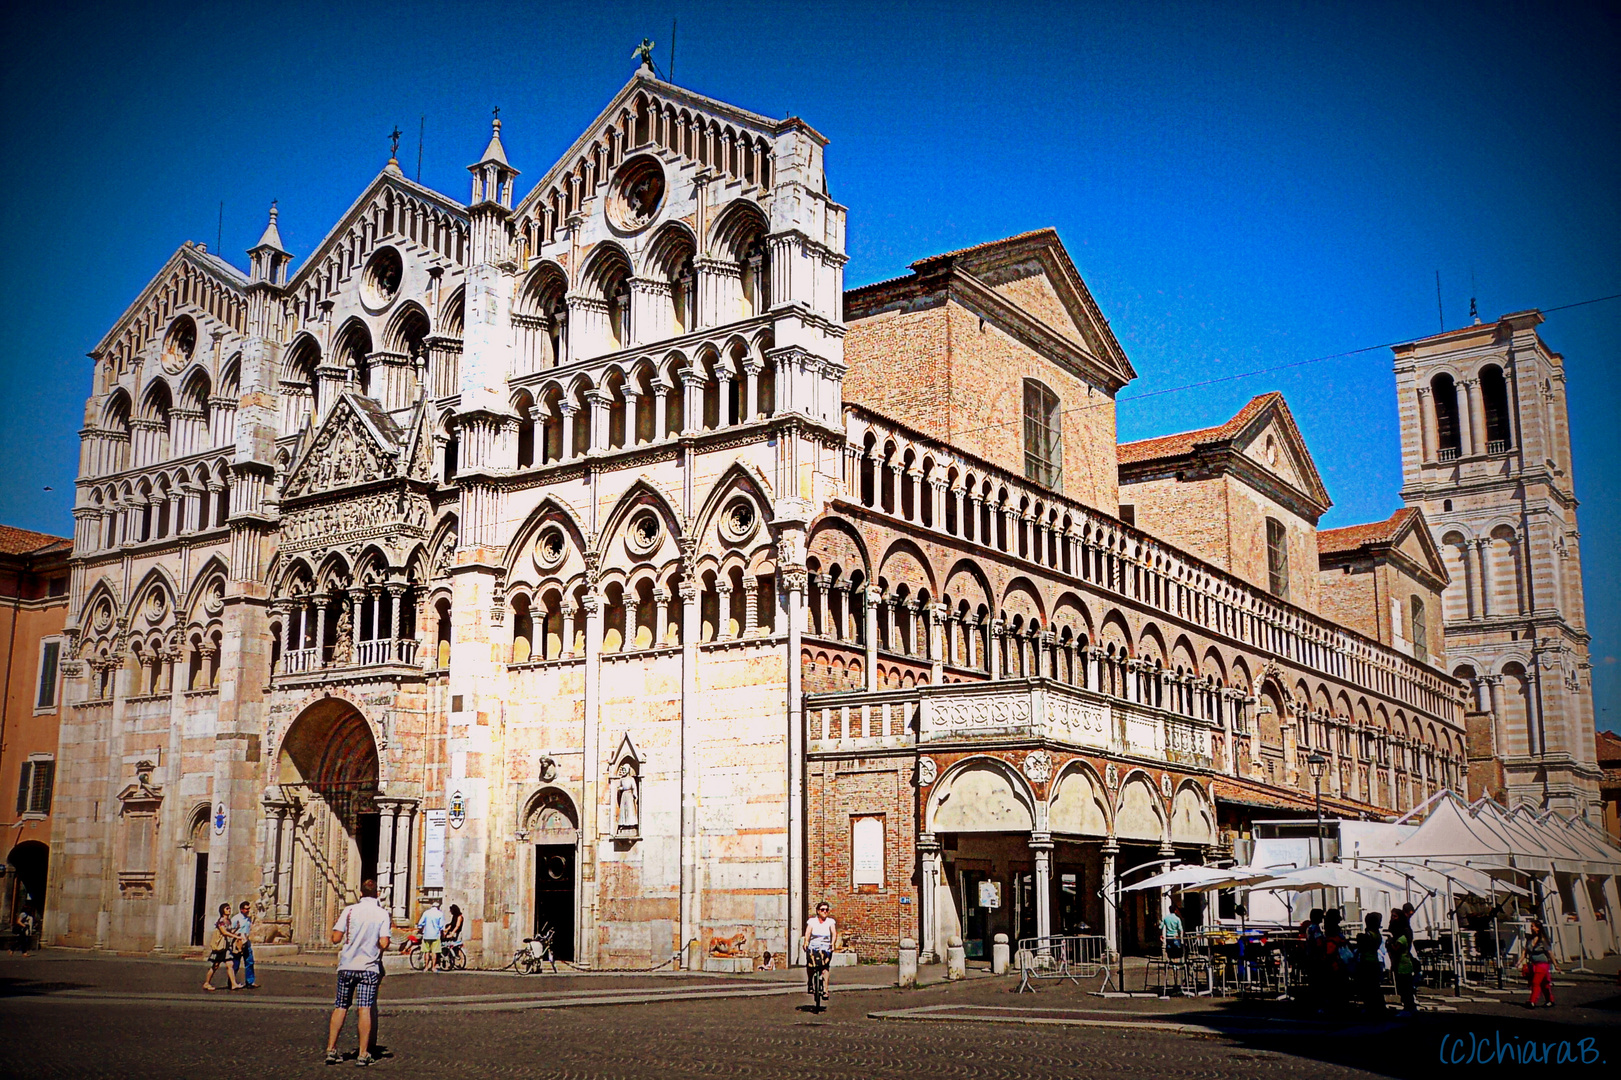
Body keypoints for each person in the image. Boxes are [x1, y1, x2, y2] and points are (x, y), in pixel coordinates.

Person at [325, 879, 392, 1067]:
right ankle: (363, 1054)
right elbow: (385, 942)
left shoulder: (349, 910)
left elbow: (335, 938)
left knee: (340, 1006)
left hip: (346, 966)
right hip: (368, 967)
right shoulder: (382, 913)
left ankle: (331, 1049)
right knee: (364, 1008)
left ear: (360, 893)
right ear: (377, 894)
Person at [801, 901, 839, 998]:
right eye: (822, 910)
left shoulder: (830, 921)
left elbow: (834, 933)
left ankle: (825, 990)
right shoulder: (812, 921)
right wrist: (806, 942)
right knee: (810, 964)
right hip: (814, 945)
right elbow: (808, 933)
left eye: (826, 910)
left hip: (826, 946)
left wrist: (832, 944)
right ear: (818, 911)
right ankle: (810, 982)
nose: (825, 911)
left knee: (825, 967)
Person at [203, 903, 244, 992]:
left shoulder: (228, 921)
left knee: (230, 964)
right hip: (220, 946)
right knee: (215, 966)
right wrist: (236, 937)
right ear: (222, 911)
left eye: (229, 908)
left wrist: (236, 929)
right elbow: (224, 932)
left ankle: (233, 984)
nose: (229, 910)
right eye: (227, 908)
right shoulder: (221, 921)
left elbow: (229, 931)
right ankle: (206, 983)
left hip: (226, 946)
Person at [1317, 909, 1351, 1014]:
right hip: (1337, 961)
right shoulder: (1336, 932)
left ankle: (1332, 1006)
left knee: (1331, 985)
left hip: (1331, 960)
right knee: (1338, 985)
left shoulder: (1328, 931)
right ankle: (1340, 1005)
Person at [1354, 912, 1387, 1014]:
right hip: (1375, 961)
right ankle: (1379, 1006)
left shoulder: (1367, 936)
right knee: (1375, 986)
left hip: (1366, 962)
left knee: (1368, 986)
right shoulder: (1378, 935)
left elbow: (1361, 946)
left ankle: (1369, 1006)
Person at [1388, 910, 1418, 1015]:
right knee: (1402, 987)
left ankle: (1409, 1007)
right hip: (1398, 963)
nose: (1392, 918)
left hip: (1404, 964)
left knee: (1405, 987)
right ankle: (1408, 1006)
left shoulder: (1404, 934)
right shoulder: (1397, 932)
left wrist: (1390, 944)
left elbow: (1398, 948)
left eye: (1395, 916)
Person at [1524, 918, 1556, 1008]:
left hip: (1542, 964)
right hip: (1534, 964)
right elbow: (1526, 951)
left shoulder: (1543, 940)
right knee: (1544, 984)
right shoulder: (1530, 939)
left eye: (1532, 926)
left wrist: (1555, 964)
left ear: (1538, 928)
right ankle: (1550, 1000)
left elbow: (1549, 952)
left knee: (1536, 982)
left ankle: (1532, 1001)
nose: (1531, 928)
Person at [230, 900, 258, 989]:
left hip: (246, 942)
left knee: (250, 961)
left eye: (248, 908)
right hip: (238, 942)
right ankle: (232, 981)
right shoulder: (235, 919)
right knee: (236, 963)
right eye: (246, 909)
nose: (248, 910)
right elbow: (230, 931)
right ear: (241, 909)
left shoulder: (248, 919)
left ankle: (250, 982)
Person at [417, 899, 445, 973]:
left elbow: (420, 923)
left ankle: (426, 967)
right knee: (434, 952)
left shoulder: (426, 913)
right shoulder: (440, 914)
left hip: (426, 934)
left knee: (426, 952)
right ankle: (433, 967)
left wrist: (422, 927)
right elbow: (441, 926)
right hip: (435, 935)